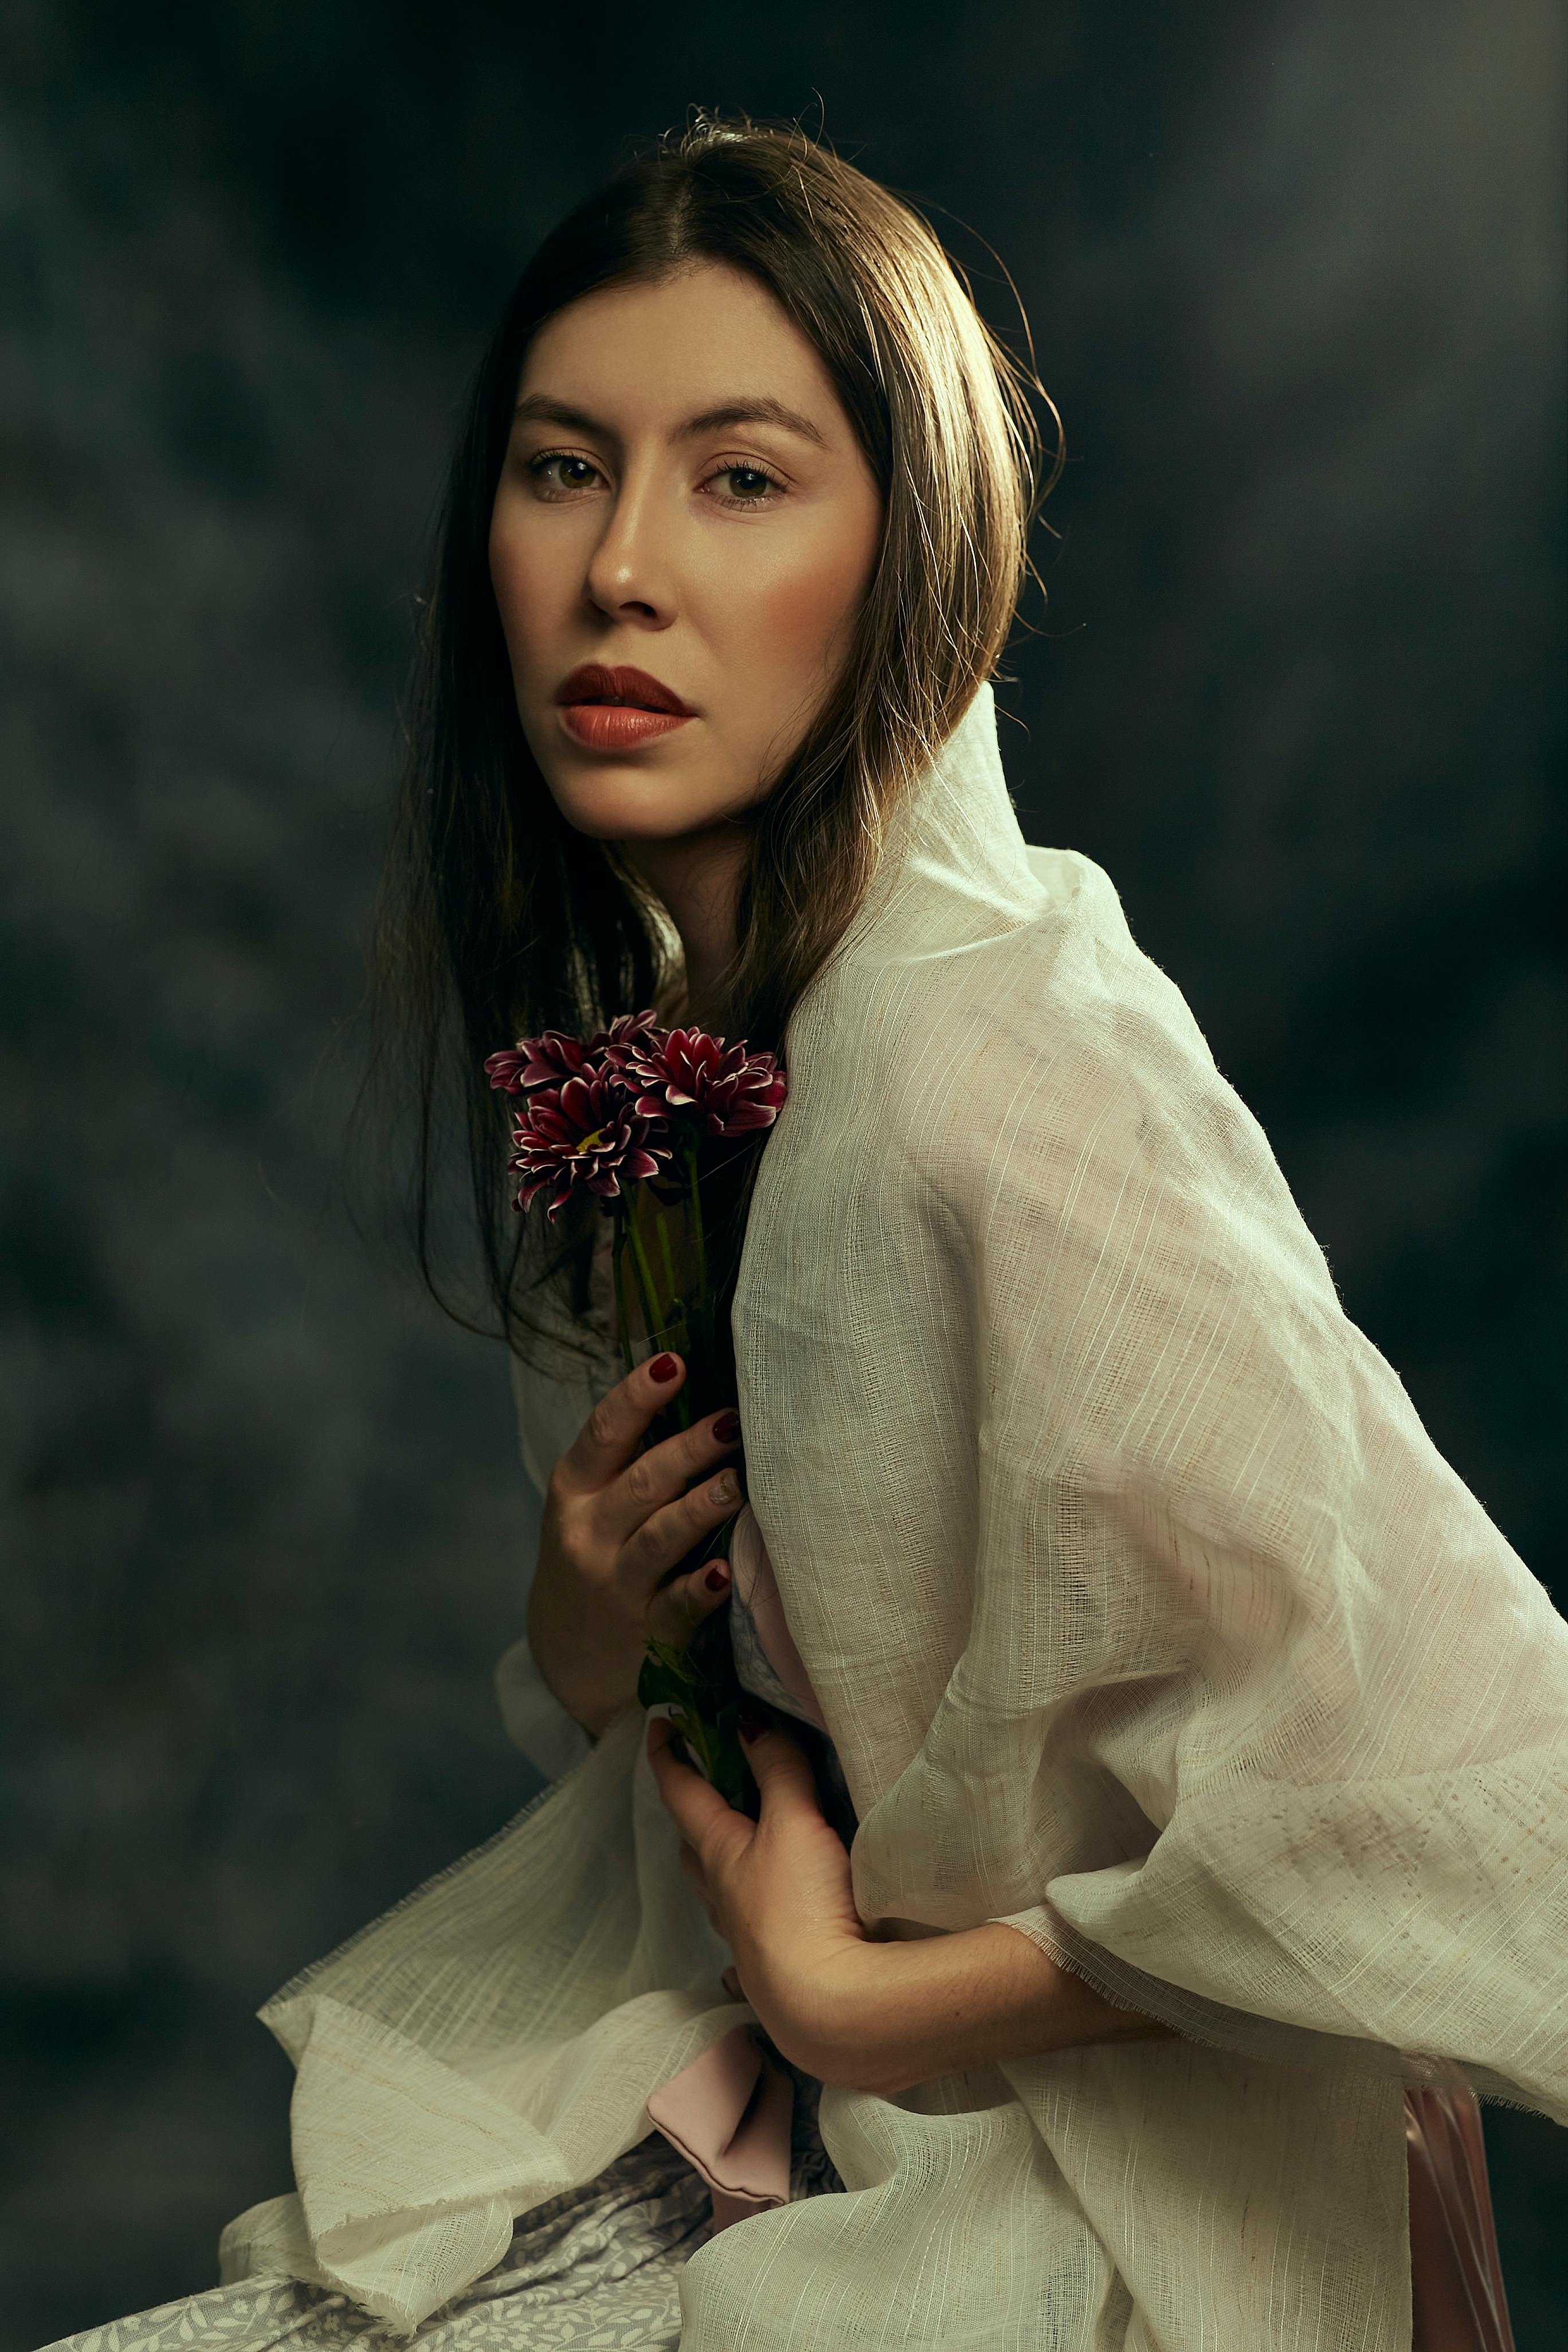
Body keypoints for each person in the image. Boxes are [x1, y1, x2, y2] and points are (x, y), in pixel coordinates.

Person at [53, 116, 1558, 2352]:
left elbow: (1483, 1801)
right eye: (563, 469)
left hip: (1096, 2210)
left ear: (913, 541)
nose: (620, 571)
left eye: (740, 477)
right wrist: (590, 1626)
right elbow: (784, 1728)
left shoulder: (998, 1056)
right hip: (779, 2115)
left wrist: (865, 1993)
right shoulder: (683, 1049)